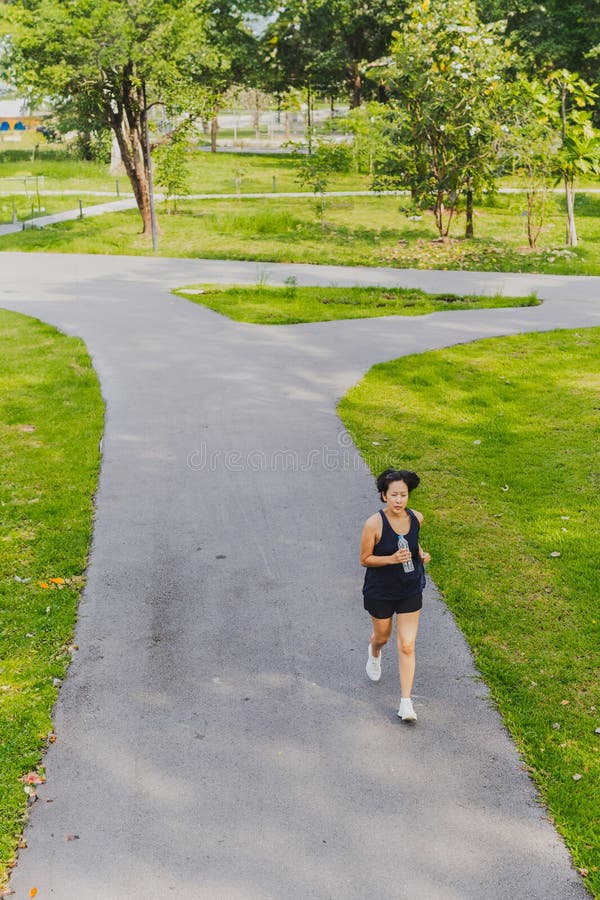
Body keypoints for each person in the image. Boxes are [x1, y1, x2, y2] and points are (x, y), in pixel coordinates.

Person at [360, 468, 431, 722]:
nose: (399, 500)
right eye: (394, 495)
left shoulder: (417, 518)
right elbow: (365, 559)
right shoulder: (374, 524)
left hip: (410, 587)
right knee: (383, 636)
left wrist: (421, 554)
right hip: (380, 590)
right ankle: (374, 652)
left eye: (403, 495)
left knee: (407, 644)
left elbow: (413, 543)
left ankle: (405, 703)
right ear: (383, 496)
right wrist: (391, 559)